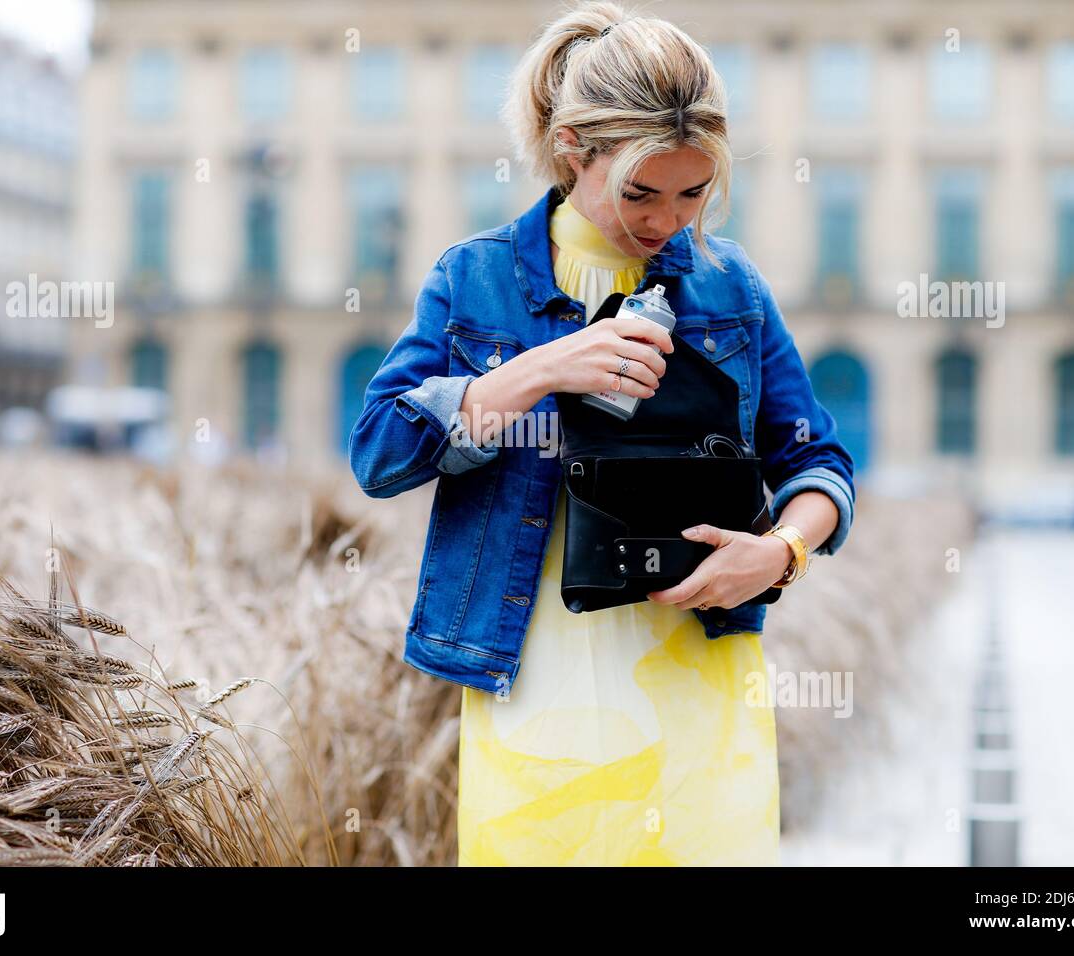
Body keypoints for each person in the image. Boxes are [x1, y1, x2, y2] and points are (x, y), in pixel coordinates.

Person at [349, 0, 855, 866]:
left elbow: (817, 461)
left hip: (701, 691)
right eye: (642, 192)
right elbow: (379, 454)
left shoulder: (732, 287)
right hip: (533, 689)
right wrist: (540, 370)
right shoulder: (474, 279)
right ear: (573, 147)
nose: (669, 219)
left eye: (695, 192)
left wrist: (778, 555)